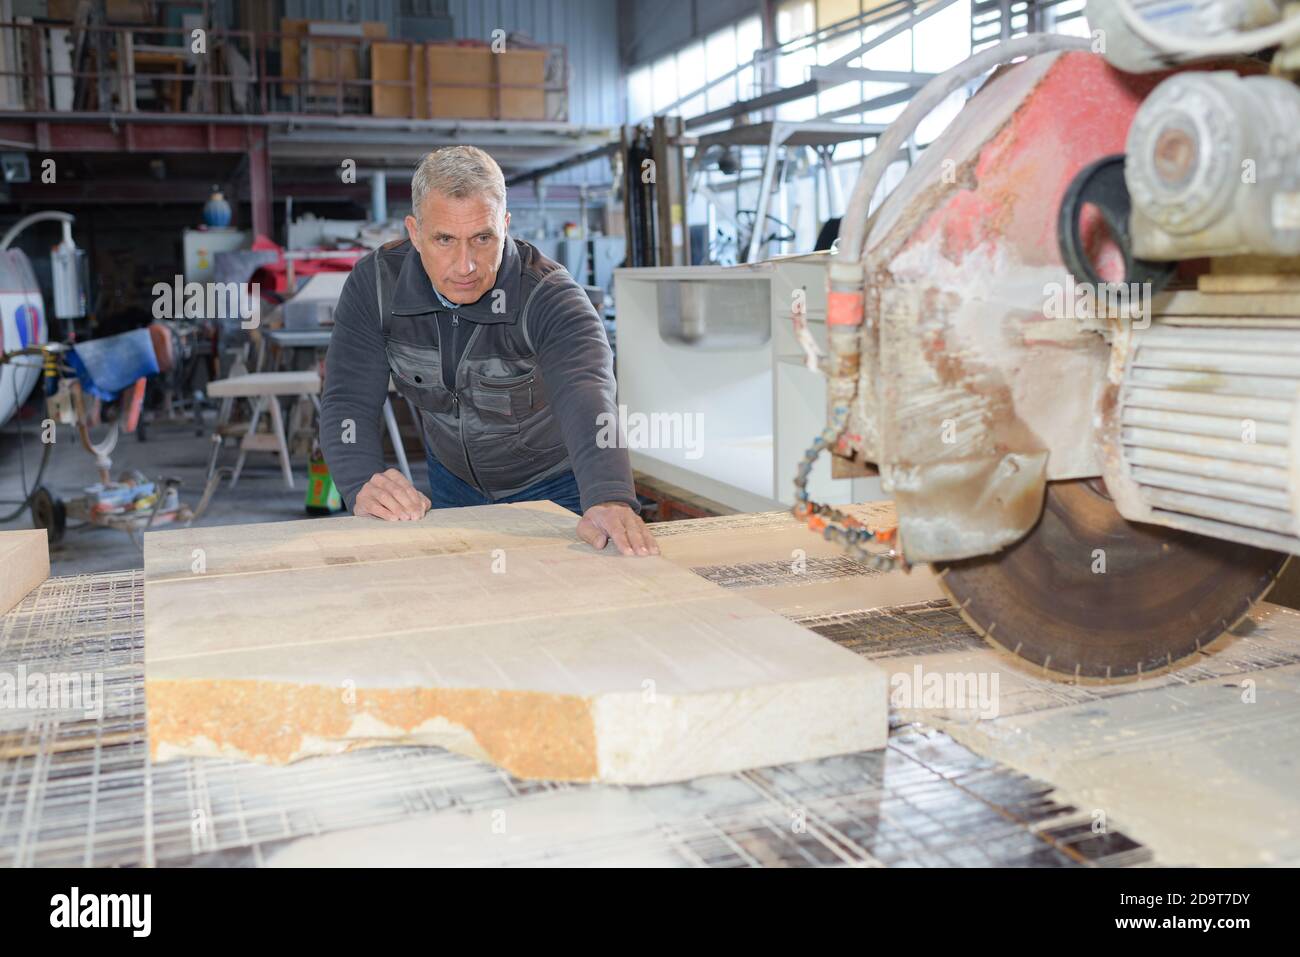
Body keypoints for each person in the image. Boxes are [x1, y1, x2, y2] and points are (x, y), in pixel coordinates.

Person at [320, 146, 658, 557]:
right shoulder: (375, 287)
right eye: (444, 239)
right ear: (414, 232)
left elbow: (587, 396)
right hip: (450, 483)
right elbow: (348, 398)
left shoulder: (549, 296)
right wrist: (359, 481)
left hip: (557, 489)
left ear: (506, 225)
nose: (465, 266)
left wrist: (608, 495)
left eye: (482, 238)